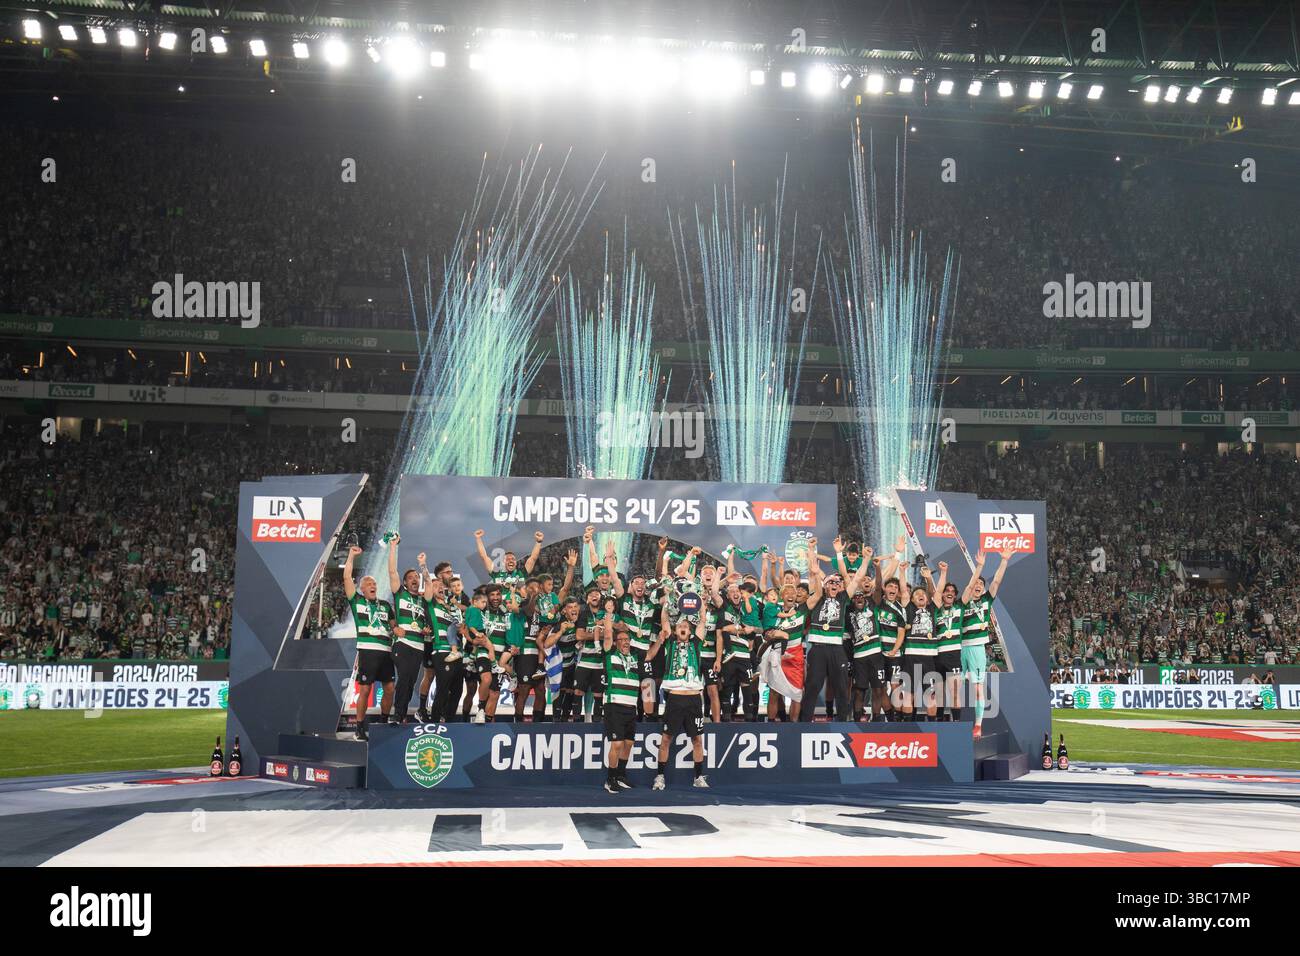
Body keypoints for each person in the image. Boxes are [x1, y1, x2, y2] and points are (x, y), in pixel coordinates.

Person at [799, 536, 870, 722]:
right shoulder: (817, 597)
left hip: (837, 648)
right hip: (818, 648)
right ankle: (804, 723)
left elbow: (858, 578)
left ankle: (842, 723)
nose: (834, 585)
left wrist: (867, 559)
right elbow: (813, 571)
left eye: (837, 583)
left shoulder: (843, 598)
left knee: (841, 686)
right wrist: (811, 549)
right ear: (824, 585)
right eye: (830, 582)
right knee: (813, 685)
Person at [649, 602, 716, 790]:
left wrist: (700, 603)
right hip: (675, 698)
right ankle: (660, 777)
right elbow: (664, 621)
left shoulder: (696, 643)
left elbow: (703, 620)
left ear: (690, 630)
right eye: (680, 626)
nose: (683, 628)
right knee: (666, 739)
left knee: (697, 740)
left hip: (695, 698)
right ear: (676, 630)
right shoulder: (670, 642)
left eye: (686, 626)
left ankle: (698, 777)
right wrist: (666, 603)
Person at [342, 545, 396, 741]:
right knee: (365, 689)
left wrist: (399, 629)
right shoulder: (356, 601)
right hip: (367, 650)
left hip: (386, 651)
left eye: (374, 583)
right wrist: (351, 556)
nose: (373, 585)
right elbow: (347, 578)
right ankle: (359, 728)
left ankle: (382, 723)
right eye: (369, 583)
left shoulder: (385, 605)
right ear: (362, 589)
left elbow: (394, 626)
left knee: (390, 688)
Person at [961, 548, 1015, 739]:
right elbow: (968, 586)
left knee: (977, 687)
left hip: (976, 648)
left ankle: (978, 725)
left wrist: (1004, 561)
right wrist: (979, 567)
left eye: (981, 584)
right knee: (950, 684)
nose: (978, 585)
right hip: (958, 648)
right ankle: (947, 720)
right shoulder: (964, 601)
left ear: (983, 589)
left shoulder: (986, 600)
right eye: (975, 582)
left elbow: (997, 581)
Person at [387, 534, 432, 724]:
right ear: (405, 583)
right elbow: (391, 572)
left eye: (416, 577)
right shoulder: (400, 593)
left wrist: (423, 566)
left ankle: (402, 714)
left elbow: (429, 583)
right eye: (410, 578)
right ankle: (397, 714)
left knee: (411, 681)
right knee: (404, 677)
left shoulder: (423, 599)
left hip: (418, 646)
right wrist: (393, 547)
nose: (414, 579)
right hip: (403, 643)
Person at [600, 598, 640, 793]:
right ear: (616, 643)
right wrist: (608, 613)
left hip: (631, 706)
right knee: (616, 743)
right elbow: (607, 634)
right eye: (622, 640)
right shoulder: (610, 655)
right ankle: (610, 779)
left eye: (627, 640)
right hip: (614, 704)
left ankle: (621, 775)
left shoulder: (634, 658)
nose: (625, 643)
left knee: (629, 743)